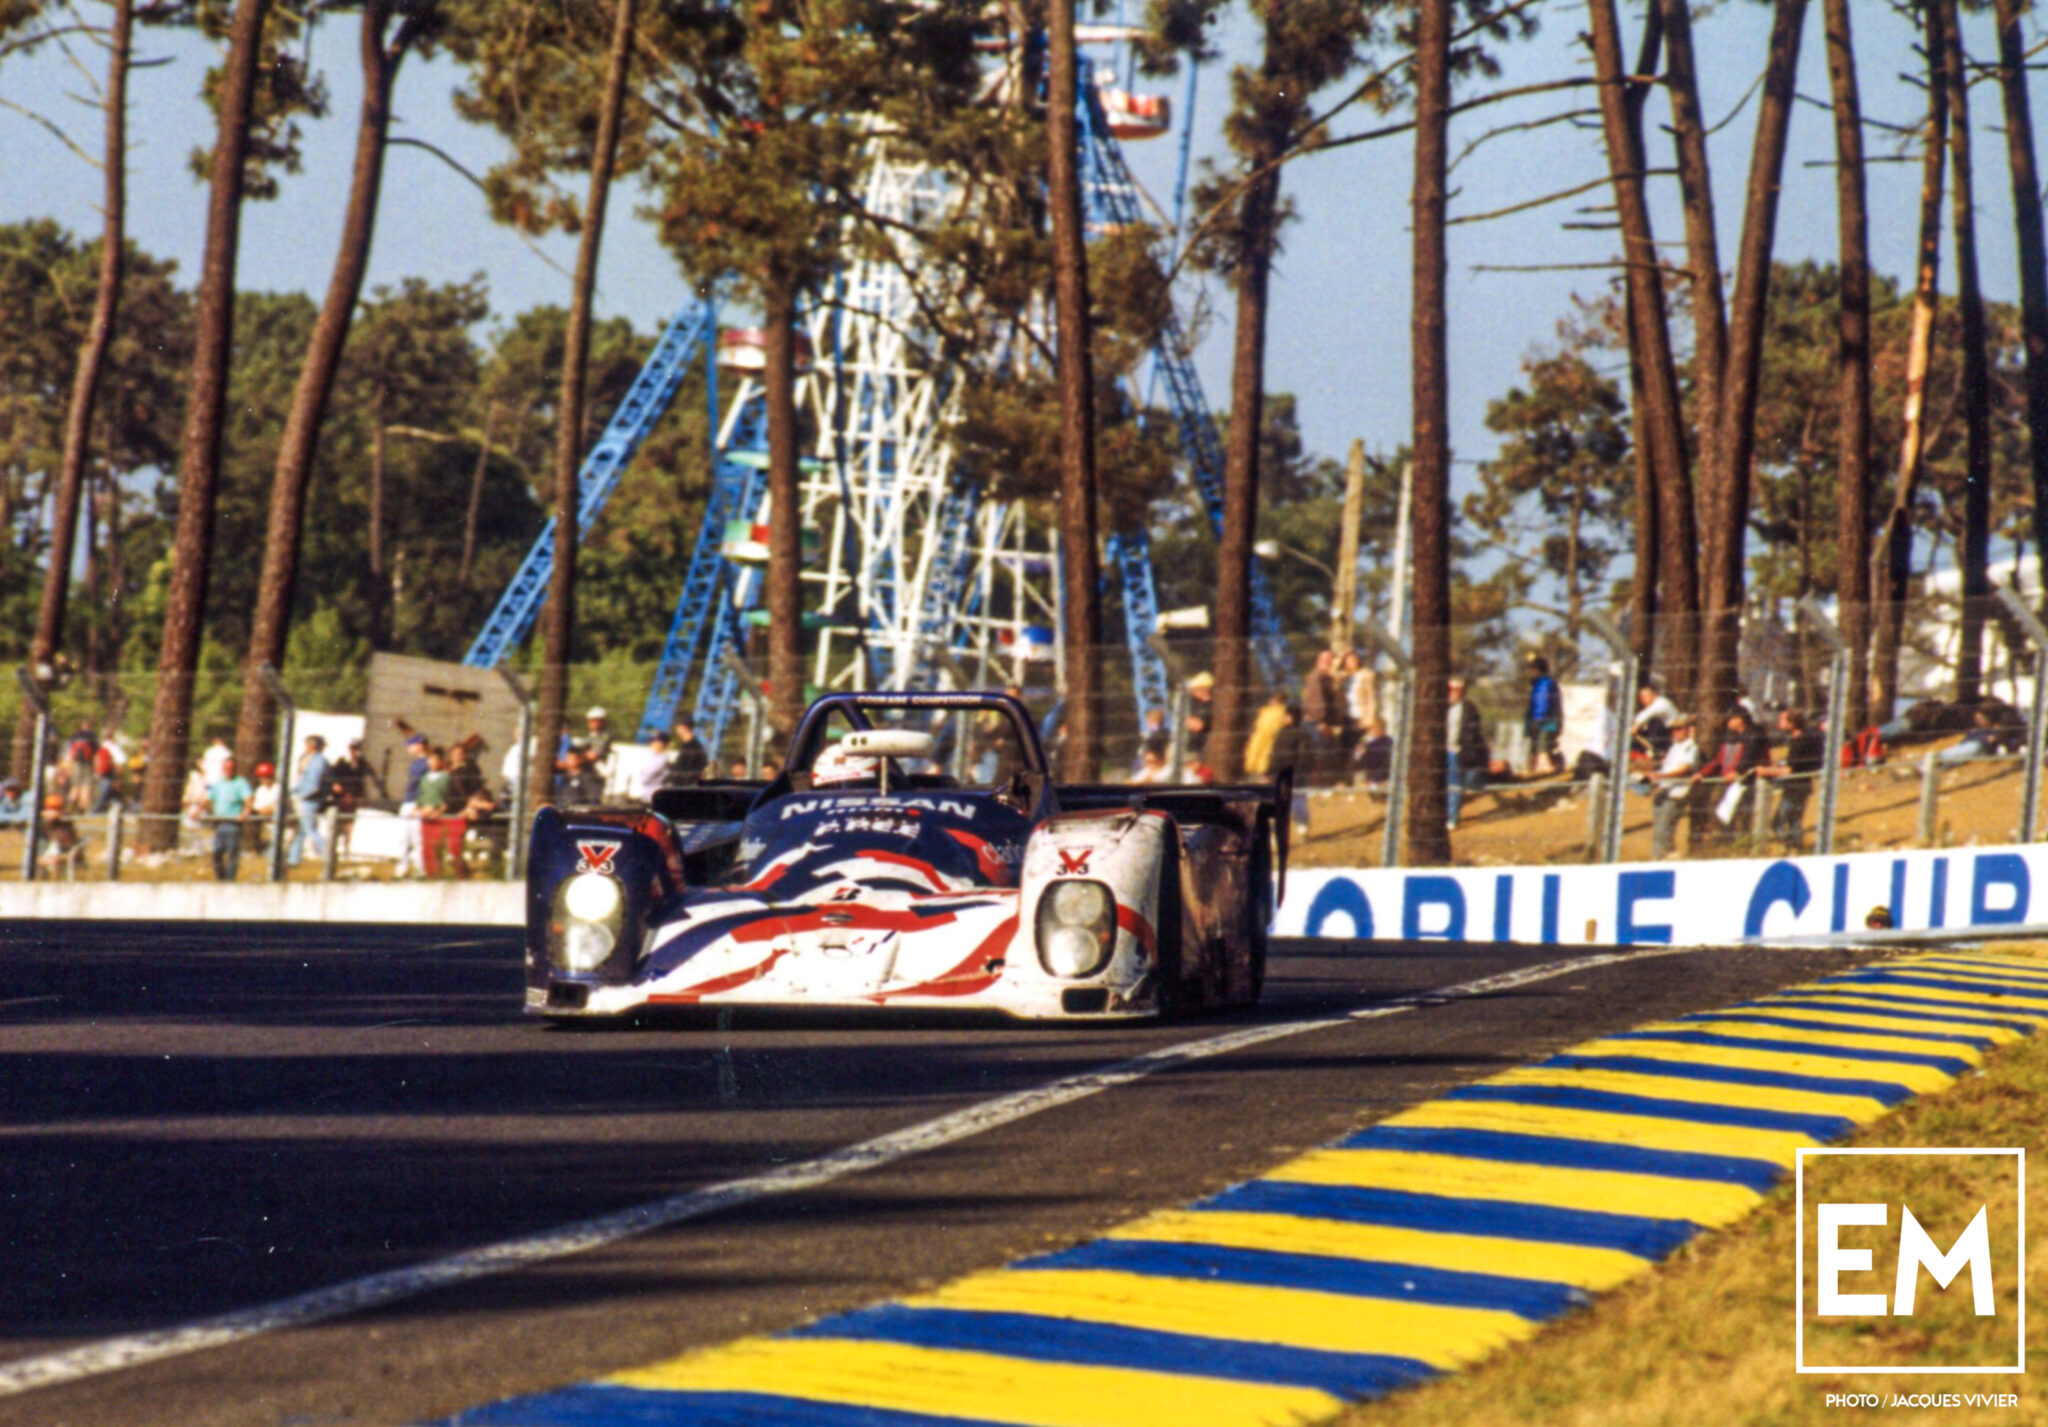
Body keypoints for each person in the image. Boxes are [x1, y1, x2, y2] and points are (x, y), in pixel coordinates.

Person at [1692, 707, 1772, 833]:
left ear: (1739, 720)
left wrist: (1738, 772)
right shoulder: (1732, 737)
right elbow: (1719, 760)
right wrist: (1702, 773)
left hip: (1747, 781)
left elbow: (1750, 755)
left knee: (1743, 814)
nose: (1728, 723)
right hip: (1732, 781)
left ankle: (1742, 841)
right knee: (1718, 807)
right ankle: (1727, 837)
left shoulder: (1754, 734)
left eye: (1730, 720)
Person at [1763, 708, 1827, 850]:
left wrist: (1766, 771)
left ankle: (1791, 846)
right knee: (1794, 820)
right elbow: (1795, 762)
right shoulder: (1802, 737)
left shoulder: (1800, 740)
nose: (1779, 723)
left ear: (1792, 723)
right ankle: (1797, 847)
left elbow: (1790, 769)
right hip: (1803, 784)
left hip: (1795, 786)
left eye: (1782, 720)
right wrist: (1780, 764)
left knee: (1779, 822)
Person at [1647, 713, 1700, 859]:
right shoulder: (1675, 747)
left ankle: (1661, 859)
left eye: (1679, 729)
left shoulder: (1691, 747)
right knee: (1659, 831)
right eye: (1673, 729)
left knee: (1663, 830)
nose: (1675, 732)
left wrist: (1662, 777)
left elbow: (1684, 768)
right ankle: (1663, 857)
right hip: (1664, 790)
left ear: (1688, 730)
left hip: (1677, 792)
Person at [1446, 677, 1489, 830]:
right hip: (1441, 751)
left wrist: (1464, 749)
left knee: (1454, 785)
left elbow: (1472, 732)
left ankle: (1452, 817)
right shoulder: (1442, 707)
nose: (1452, 694)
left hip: (1456, 751)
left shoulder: (1469, 709)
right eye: (1450, 690)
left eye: (1456, 690)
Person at [205, 755, 253, 881]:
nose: (228, 770)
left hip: (233, 823)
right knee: (217, 853)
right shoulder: (218, 783)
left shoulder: (240, 782)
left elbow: (248, 799)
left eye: (231, 768)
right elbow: (209, 799)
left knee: (232, 852)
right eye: (226, 768)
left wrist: (246, 811)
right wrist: (197, 811)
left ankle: (230, 879)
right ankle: (221, 879)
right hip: (219, 822)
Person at [287, 734, 329, 869]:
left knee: (309, 829)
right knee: (301, 829)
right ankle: (293, 859)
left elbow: (313, 783)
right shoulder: (307, 759)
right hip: (303, 797)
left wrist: (302, 794)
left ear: (312, 746)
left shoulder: (318, 761)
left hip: (309, 800)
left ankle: (328, 852)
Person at [415, 746, 457, 878]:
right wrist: (419, 810)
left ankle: (439, 875)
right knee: (426, 848)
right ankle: (429, 875)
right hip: (425, 817)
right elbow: (420, 797)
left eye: (434, 760)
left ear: (440, 761)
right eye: (429, 760)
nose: (431, 763)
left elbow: (448, 799)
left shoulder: (446, 777)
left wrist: (438, 811)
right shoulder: (424, 778)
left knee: (437, 847)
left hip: (438, 817)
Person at [1936, 705, 2027, 764]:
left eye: (1980, 719)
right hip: (1982, 745)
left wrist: (1993, 738)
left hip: (1987, 746)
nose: (1979, 722)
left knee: (1973, 747)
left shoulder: (2006, 720)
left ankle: (1938, 760)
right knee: (1967, 748)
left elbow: (1997, 738)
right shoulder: (1988, 728)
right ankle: (1938, 759)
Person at [327, 738, 369, 858]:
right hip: (341, 797)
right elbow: (333, 776)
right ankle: (333, 847)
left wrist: (361, 795)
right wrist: (336, 785)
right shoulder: (342, 762)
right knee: (338, 822)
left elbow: (361, 782)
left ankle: (346, 848)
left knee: (349, 822)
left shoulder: (361, 763)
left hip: (352, 796)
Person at [397, 732, 430, 878]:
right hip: (408, 802)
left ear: (420, 746)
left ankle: (420, 870)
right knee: (403, 838)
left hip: (416, 803)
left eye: (412, 745)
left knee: (417, 839)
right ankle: (402, 868)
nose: (409, 748)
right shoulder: (415, 763)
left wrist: (421, 804)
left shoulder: (427, 763)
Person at [1524, 654, 1564, 775]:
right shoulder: (1537, 684)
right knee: (1538, 749)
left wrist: (1536, 721)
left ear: (1537, 669)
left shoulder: (1544, 683)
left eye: (1531, 668)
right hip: (1540, 721)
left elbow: (1542, 703)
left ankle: (1545, 767)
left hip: (1545, 722)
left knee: (1543, 750)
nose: (1529, 671)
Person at [1630, 681, 1678, 765]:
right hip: (1661, 736)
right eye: (1641, 697)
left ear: (1655, 695)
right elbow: (1639, 718)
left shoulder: (1662, 703)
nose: (1642, 699)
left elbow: (1647, 714)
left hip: (1669, 737)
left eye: (1645, 696)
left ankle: (1654, 754)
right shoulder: (1653, 706)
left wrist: (1635, 727)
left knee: (1655, 722)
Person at [1243, 691, 1289, 777]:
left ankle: (1258, 772)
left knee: (1263, 757)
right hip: (1260, 737)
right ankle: (1252, 770)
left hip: (1268, 738)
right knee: (1255, 754)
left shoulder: (1279, 711)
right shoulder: (1266, 711)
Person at [633, 731, 675, 803]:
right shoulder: (653, 757)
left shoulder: (662, 760)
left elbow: (645, 778)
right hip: (647, 795)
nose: (653, 743)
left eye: (656, 741)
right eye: (653, 741)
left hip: (654, 795)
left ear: (663, 744)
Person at [668, 718, 710, 786]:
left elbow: (686, 768)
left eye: (677, 727)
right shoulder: (688, 745)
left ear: (684, 727)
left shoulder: (693, 746)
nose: (676, 730)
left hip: (685, 786)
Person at [1357, 717, 1394, 793]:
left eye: (1372, 728)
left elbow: (1386, 763)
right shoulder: (1370, 743)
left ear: (1377, 728)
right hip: (1376, 776)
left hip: (1380, 777)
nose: (1370, 731)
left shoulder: (1385, 743)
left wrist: (1365, 752)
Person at [583, 707, 615, 783]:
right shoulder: (588, 737)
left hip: (596, 774)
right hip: (585, 772)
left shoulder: (604, 738)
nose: (590, 723)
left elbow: (593, 756)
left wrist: (578, 757)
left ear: (601, 722)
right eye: (590, 721)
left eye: (594, 721)